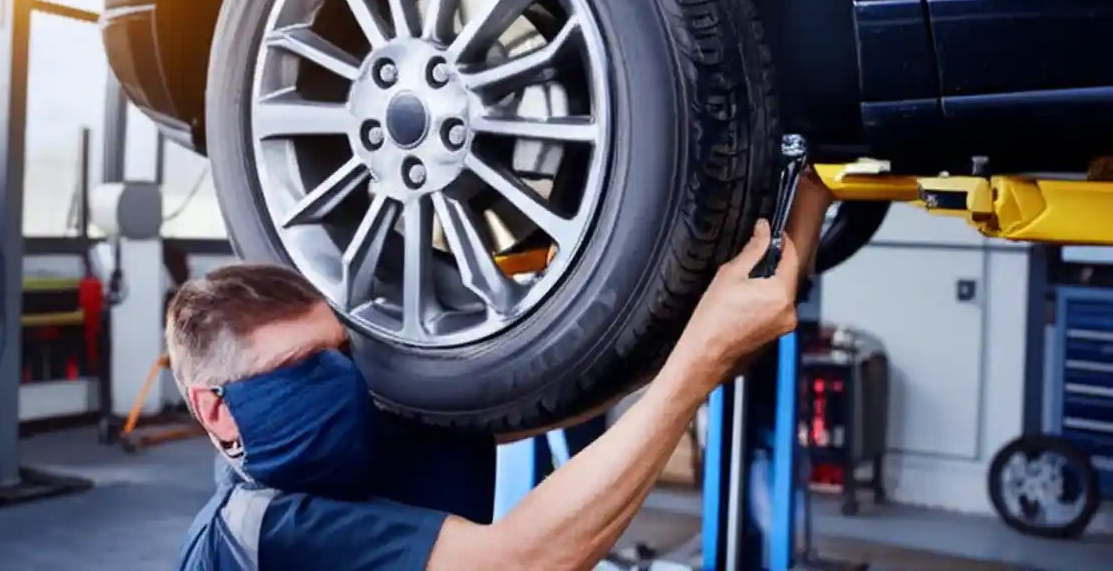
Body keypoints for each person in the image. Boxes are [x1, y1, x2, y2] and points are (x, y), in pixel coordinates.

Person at [168, 175, 833, 570]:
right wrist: (697, 360)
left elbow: (547, 407)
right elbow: (522, 561)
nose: (338, 377)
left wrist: (802, 207)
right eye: (301, 366)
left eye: (338, 350)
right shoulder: (266, 528)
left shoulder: (325, 436)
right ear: (215, 408)